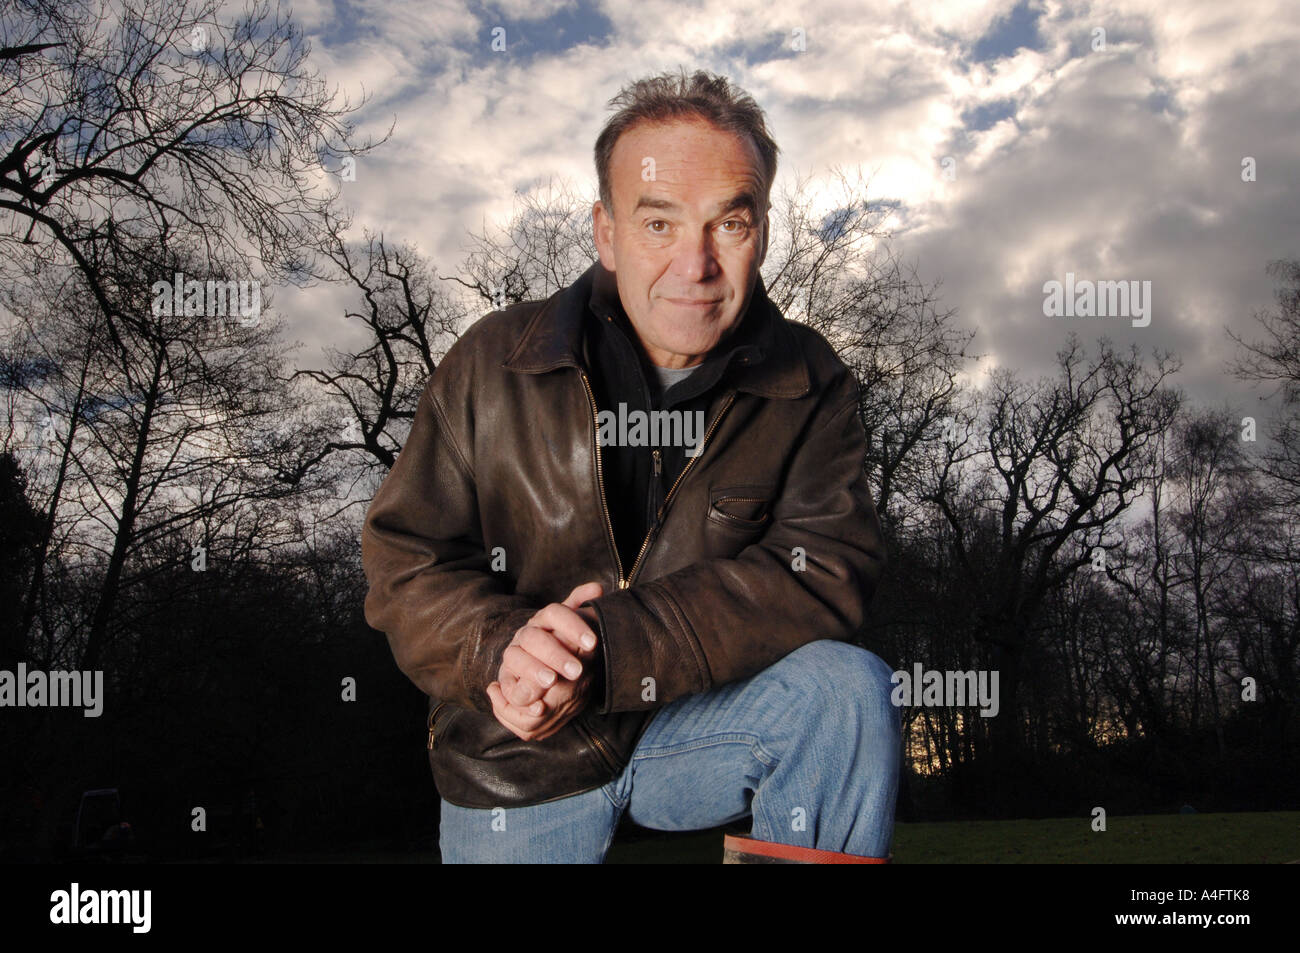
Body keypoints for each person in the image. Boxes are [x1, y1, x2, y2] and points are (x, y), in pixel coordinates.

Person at [361, 67, 900, 863]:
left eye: (730, 224)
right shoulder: (490, 362)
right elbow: (406, 561)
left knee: (846, 692)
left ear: (763, 232)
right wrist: (500, 649)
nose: (696, 265)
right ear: (605, 232)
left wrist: (611, 649)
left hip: (692, 725)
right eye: (658, 225)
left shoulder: (809, 380)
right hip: (521, 757)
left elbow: (826, 571)